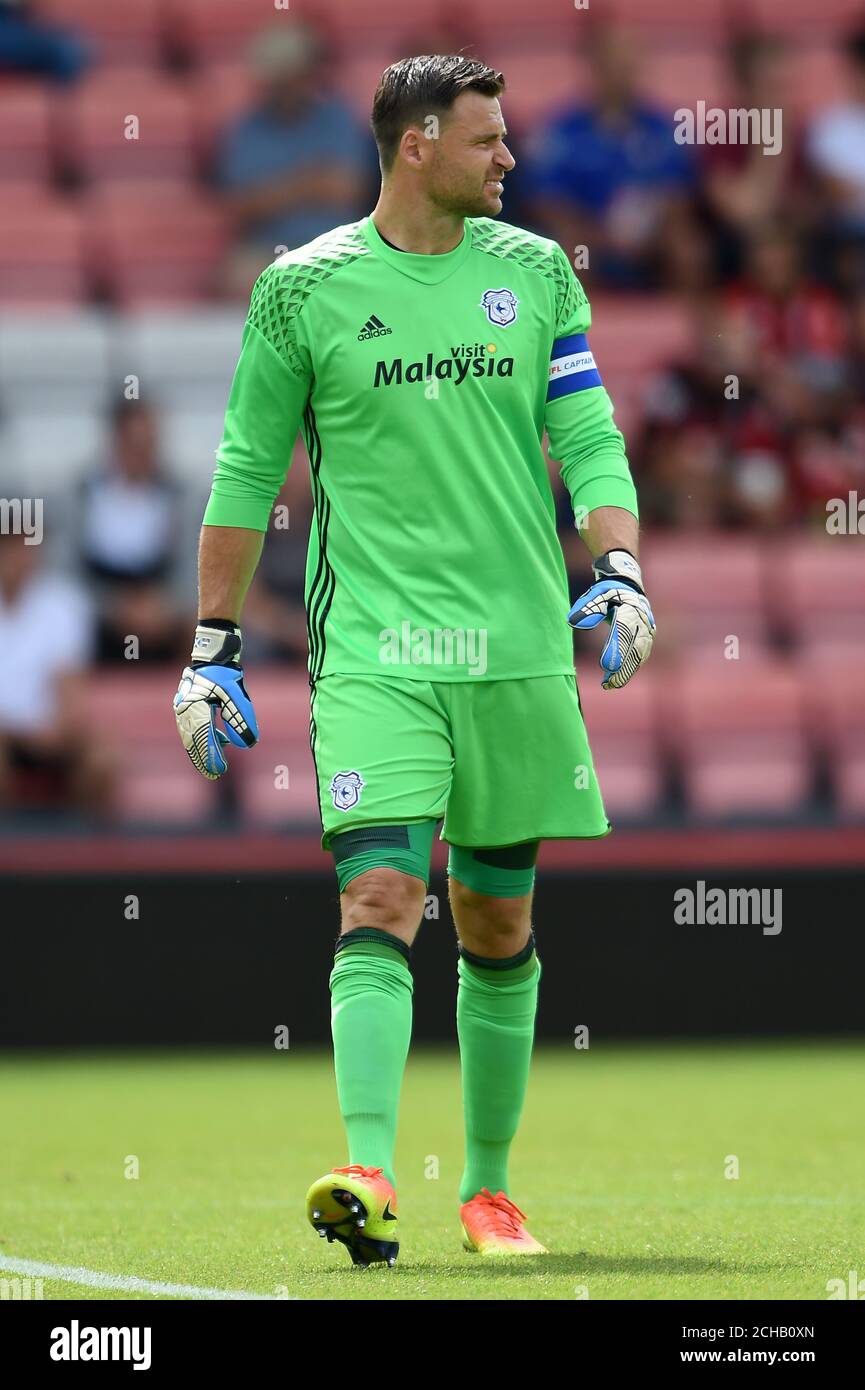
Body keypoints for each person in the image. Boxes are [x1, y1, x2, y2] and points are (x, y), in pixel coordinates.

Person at [174, 54, 655, 1267]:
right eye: (488, 140)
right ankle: (370, 1171)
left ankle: (490, 1195)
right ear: (417, 144)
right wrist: (212, 647)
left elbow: (588, 431)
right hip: (378, 649)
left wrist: (621, 567)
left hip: (513, 650)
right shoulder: (303, 289)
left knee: (495, 921)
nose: (508, 160)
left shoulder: (537, 274)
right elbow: (244, 468)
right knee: (381, 896)